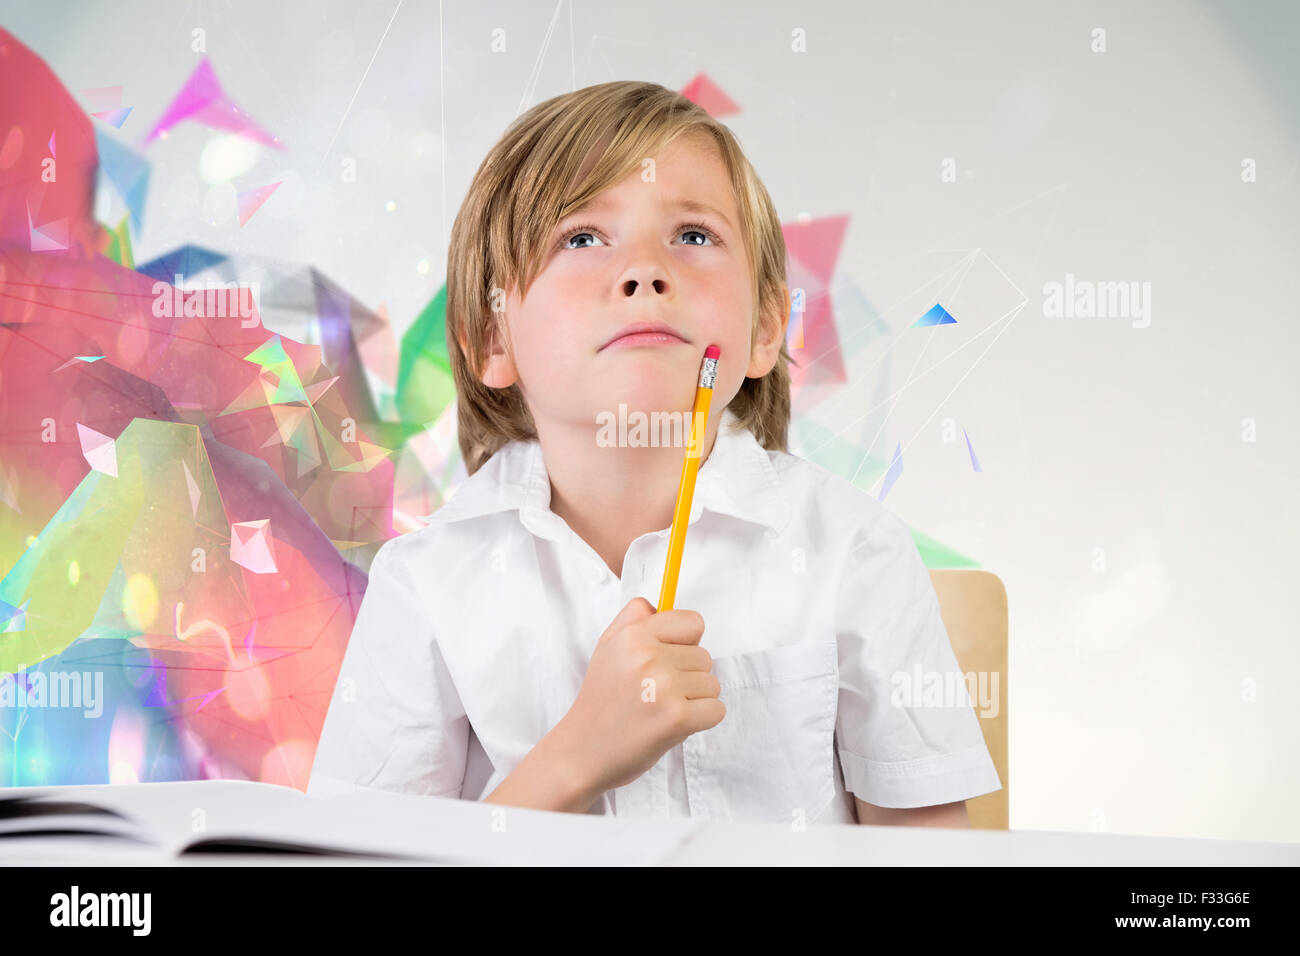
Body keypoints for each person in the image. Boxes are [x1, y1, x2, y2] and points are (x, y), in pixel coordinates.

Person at [309, 81, 1002, 826]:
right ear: (493, 335)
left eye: (694, 236)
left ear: (766, 327)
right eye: (581, 238)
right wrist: (577, 754)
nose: (645, 272)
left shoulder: (855, 552)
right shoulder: (427, 584)